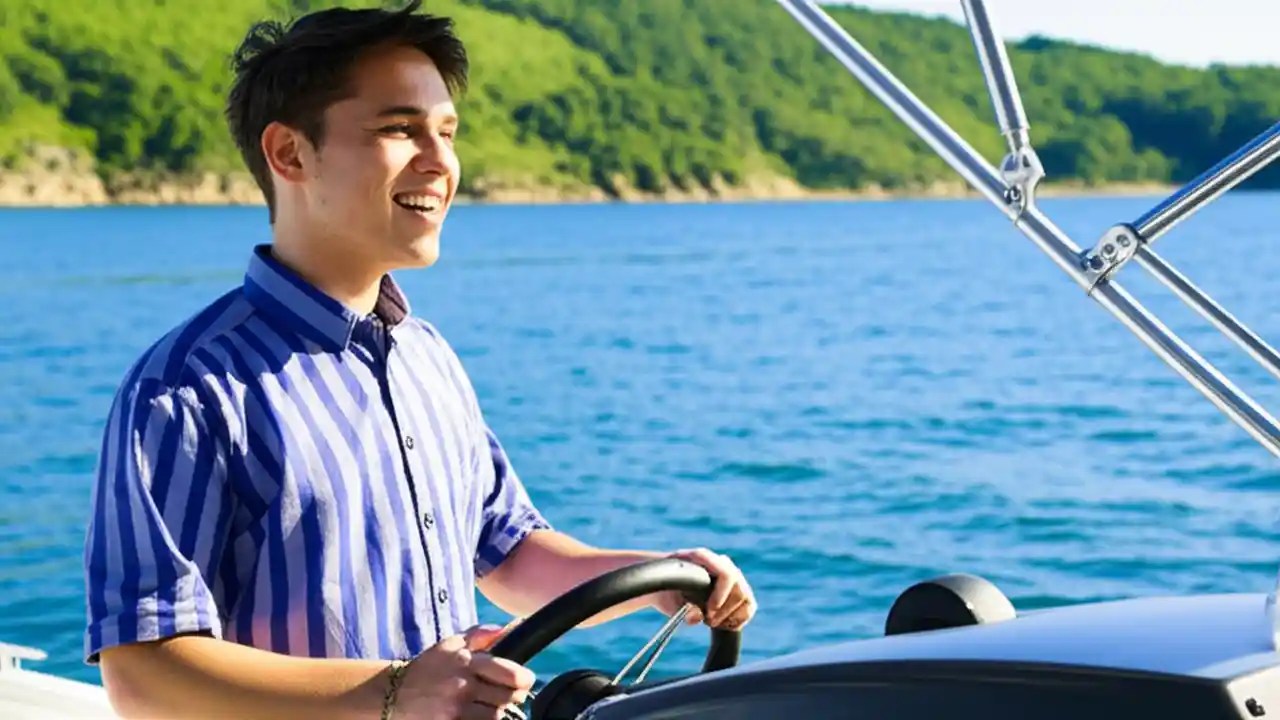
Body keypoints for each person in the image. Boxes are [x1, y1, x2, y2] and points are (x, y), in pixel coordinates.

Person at [82, 2, 757, 718]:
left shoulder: (425, 357)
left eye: (447, 132)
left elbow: (511, 555)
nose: (440, 162)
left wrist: (656, 577)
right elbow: (142, 671)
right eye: (400, 129)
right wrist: (397, 691)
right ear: (290, 154)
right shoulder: (186, 387)